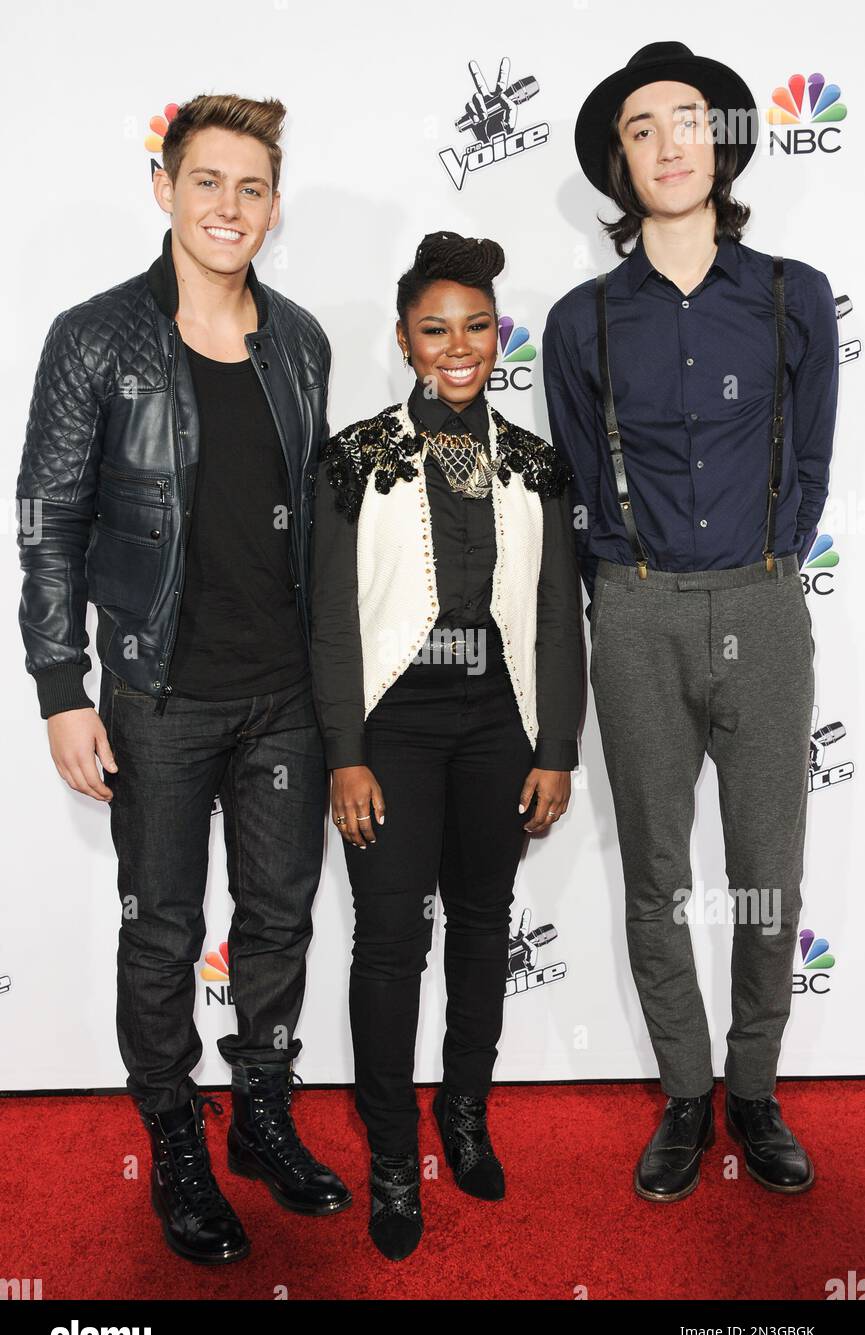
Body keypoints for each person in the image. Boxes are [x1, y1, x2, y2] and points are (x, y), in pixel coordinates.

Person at [15, 93, 351, 1265]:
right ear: (164, 188)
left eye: (251, 187)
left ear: (272, 205)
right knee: (161, 931)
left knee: (276, 919)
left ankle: (259, 1108)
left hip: (284, 698)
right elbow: (49, 518)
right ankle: (172, 1137)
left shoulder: (300, 339)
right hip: (157, 695)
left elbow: (318, 524)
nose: (229, 206)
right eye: (207, 181)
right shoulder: (95, 335)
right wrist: (61, 684)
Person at [543, 42, 839, 1202]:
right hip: (636, 611)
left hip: (762, 608)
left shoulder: (791, 294)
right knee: (656, 873)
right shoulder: (579, 322)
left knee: (767, 872)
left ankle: (754, 1090)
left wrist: (763, 565)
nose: (668, 142)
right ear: (618, 165)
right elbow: (575, 479)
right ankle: (682, 1092)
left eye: (686, 119)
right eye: (639, 129)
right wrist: (627, 583)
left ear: (721, 137)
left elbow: (810, 458)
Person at [309, 230, 584, 1259]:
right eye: (435, 329)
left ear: (498, 333)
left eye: (475, 326)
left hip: (497, 729)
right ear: (404, 339)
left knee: (482, 924)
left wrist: (554, 745)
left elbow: (560, 613)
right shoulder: (352, 454)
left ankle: (461, 1114)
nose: (457, 346)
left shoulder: (533, 461)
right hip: (392, 729)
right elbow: (332, 618)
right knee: (386, 939)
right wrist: (344, 751)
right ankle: (389, 1155)